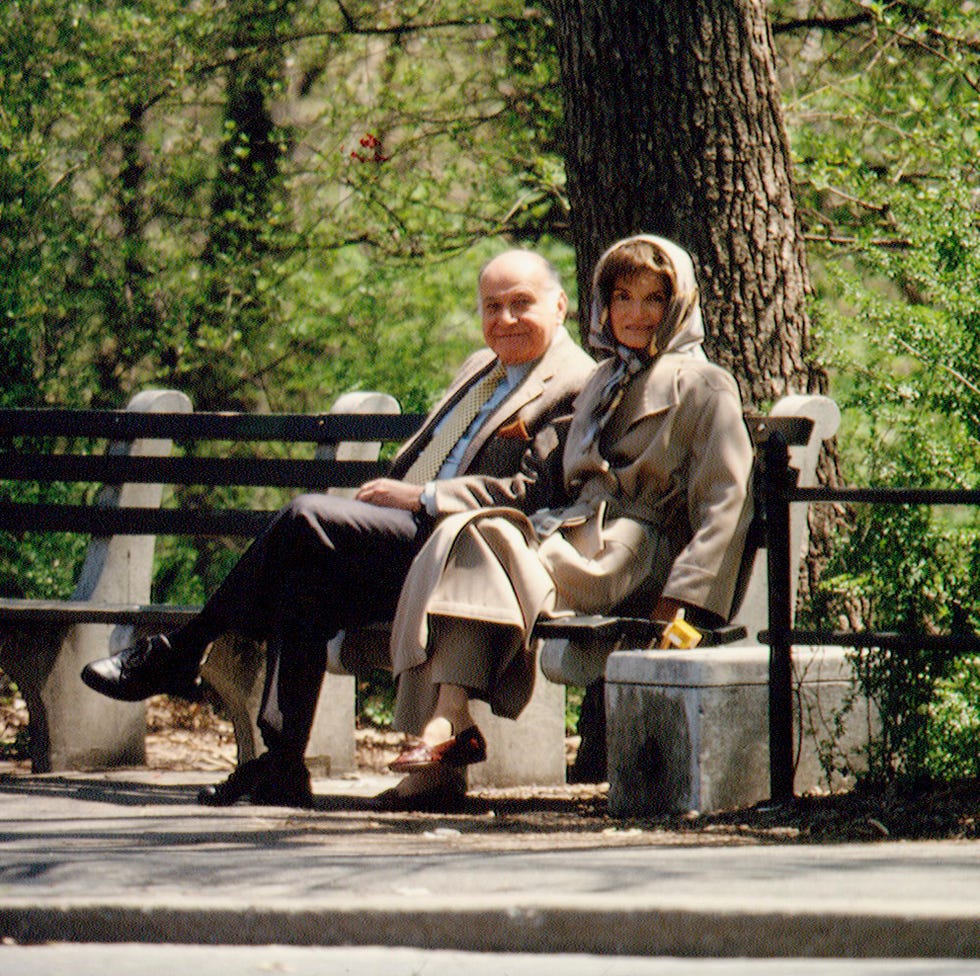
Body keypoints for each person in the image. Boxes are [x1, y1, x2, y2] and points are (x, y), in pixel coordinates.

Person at [80, 250, 596, 808]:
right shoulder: (480, 367)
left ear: (560, 305)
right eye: (492, 306)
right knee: (301, 582)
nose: (506, 319)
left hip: (470, 551)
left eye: (522, 303)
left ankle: (184, 651)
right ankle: (281, 767)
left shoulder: (575, 382)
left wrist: (422, 495)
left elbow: (532, 493)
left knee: (305, 516)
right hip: (410, 541)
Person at [379, 234, 754, 810]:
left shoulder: (702, 384)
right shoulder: (603, 379)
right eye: (622, 297)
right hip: (575, 531)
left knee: (476, 543)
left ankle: (439, 739)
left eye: (653, 299)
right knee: (471, 532)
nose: (634, 314)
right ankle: (448, 721)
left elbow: (725, 501)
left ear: (677, 305)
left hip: (635, 549)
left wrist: (682, 604)